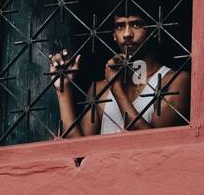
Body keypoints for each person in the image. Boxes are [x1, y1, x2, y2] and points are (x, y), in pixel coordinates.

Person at [48, 11, 190, 137]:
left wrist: (116, 88)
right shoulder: (99, 90)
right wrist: (63, 90)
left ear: (153, 30)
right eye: (120, 26)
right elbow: (79, 151)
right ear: (114, 36)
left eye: (136, 25)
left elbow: (155, 146)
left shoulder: (175, 81)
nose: (127, 34)